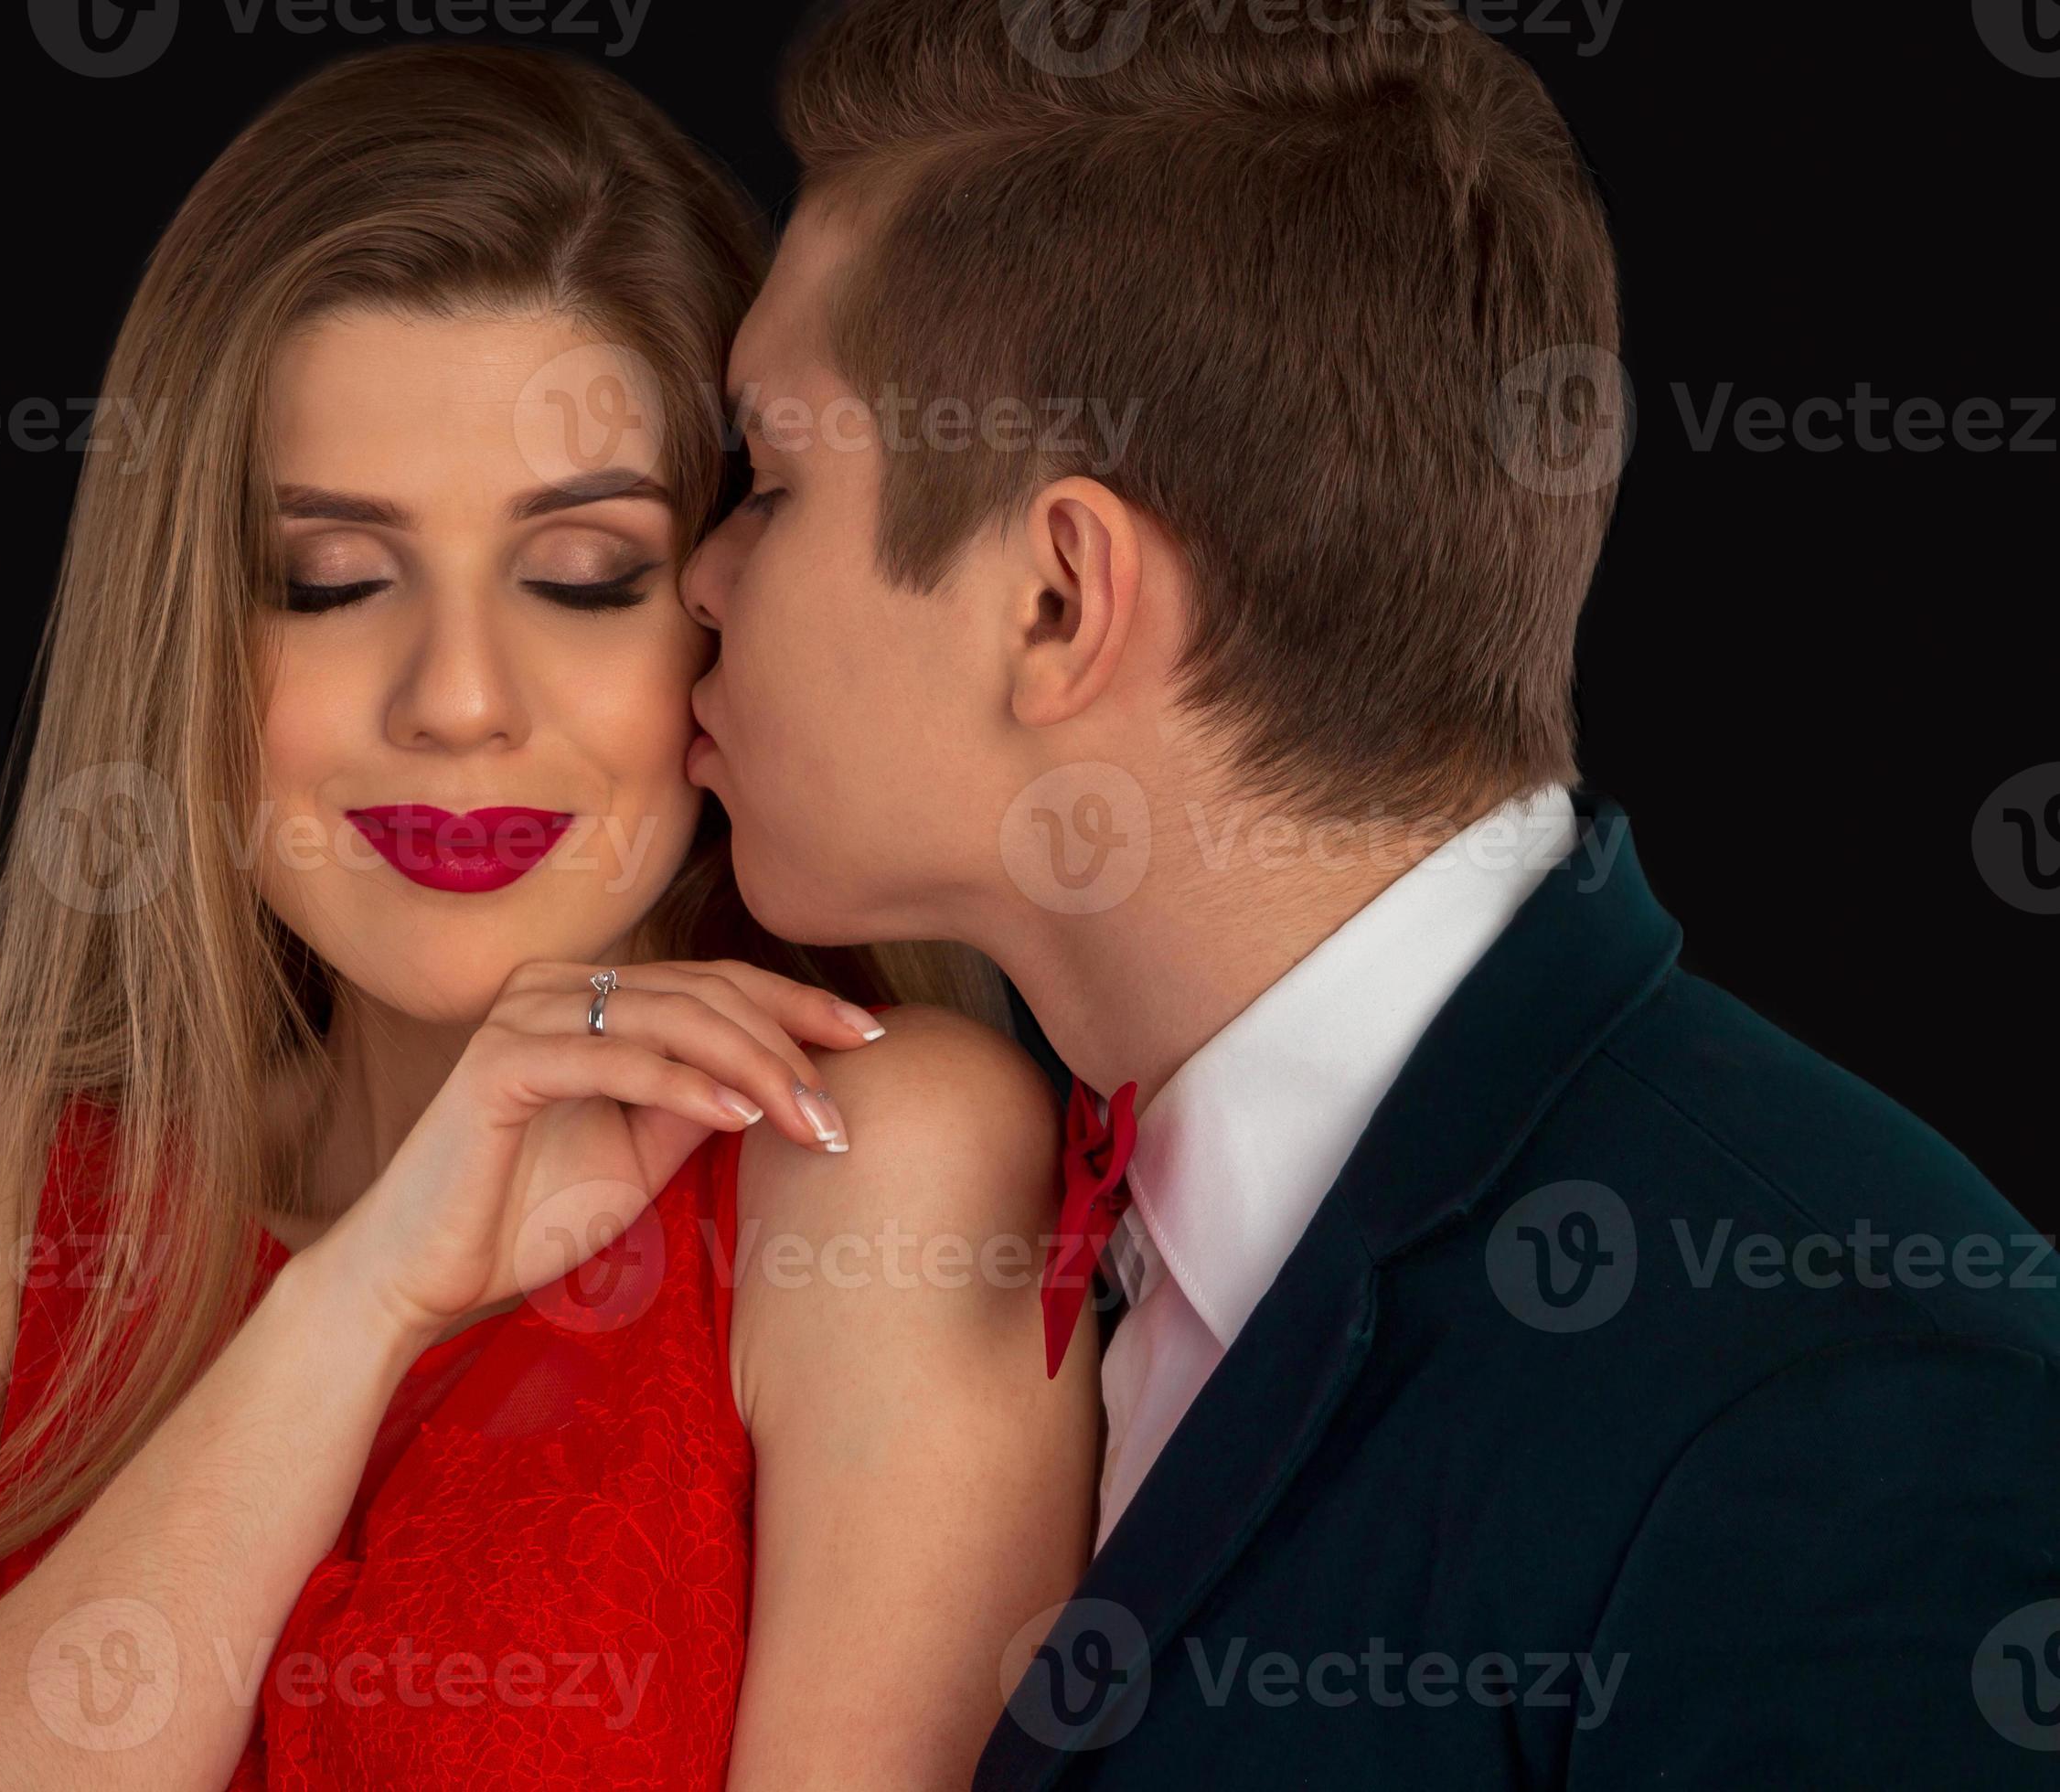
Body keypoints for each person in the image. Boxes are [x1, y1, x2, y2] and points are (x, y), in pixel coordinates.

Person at [0, 46, 1099, 1792]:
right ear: (192, 629)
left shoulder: (870, 1156)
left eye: (584, 578)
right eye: (331, 581)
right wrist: (354, 1309)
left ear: (720, 608)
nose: (460, 702)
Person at [679, 1, 2060, 1783]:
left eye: (772, 482)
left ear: (1057, 600)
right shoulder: (1039, 1225)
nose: (702, 576)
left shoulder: (1851, 1410)